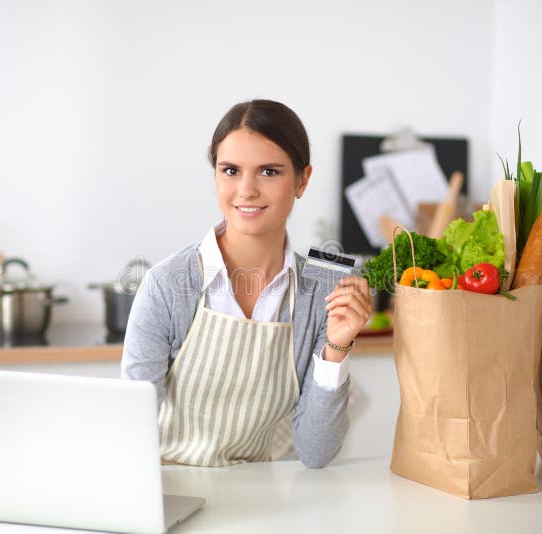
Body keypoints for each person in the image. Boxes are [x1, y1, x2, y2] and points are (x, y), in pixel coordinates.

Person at [121, 99, 372, 468]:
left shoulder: (323, 287)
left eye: (269, 172)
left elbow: (316, 452)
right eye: (231, 170)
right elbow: (130, 433)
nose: (247, 190)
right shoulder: (168, 284)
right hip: (165, 485)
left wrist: (338, 345)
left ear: (302, 180)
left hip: (258, 487)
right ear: (215, 176)